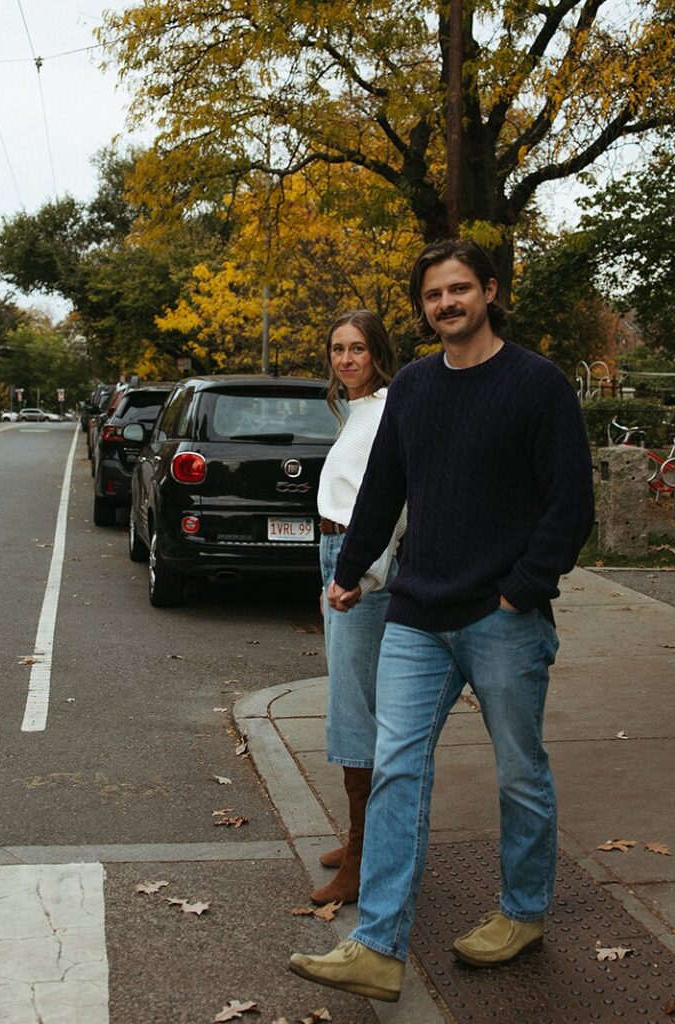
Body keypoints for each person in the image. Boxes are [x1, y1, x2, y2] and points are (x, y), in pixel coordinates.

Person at [289, 239, 595, 1002]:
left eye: (460, 289)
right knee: (396, 766)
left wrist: (523, 589)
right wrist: (354, 571)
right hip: (418, 615)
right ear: (423, 309)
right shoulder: (416, 388)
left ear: (489, 292)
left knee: (520, 773)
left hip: (501, 617)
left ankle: (523, 912)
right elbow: (384, 490)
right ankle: (379, 945)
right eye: (433, 295)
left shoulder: (538, 385)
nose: (447, 303)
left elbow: (570, 505)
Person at [309, 310, 404, 907]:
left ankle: (365, 854)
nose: (346, 360)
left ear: (378, 354)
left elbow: (395, 501)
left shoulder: (389, 410)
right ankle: (359, 840)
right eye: (338, 349)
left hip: (358, 562)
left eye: (358, 349)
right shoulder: (356, 411)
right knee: (351, 697)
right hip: (335, 551)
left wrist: (363, 574)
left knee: (354, 708)